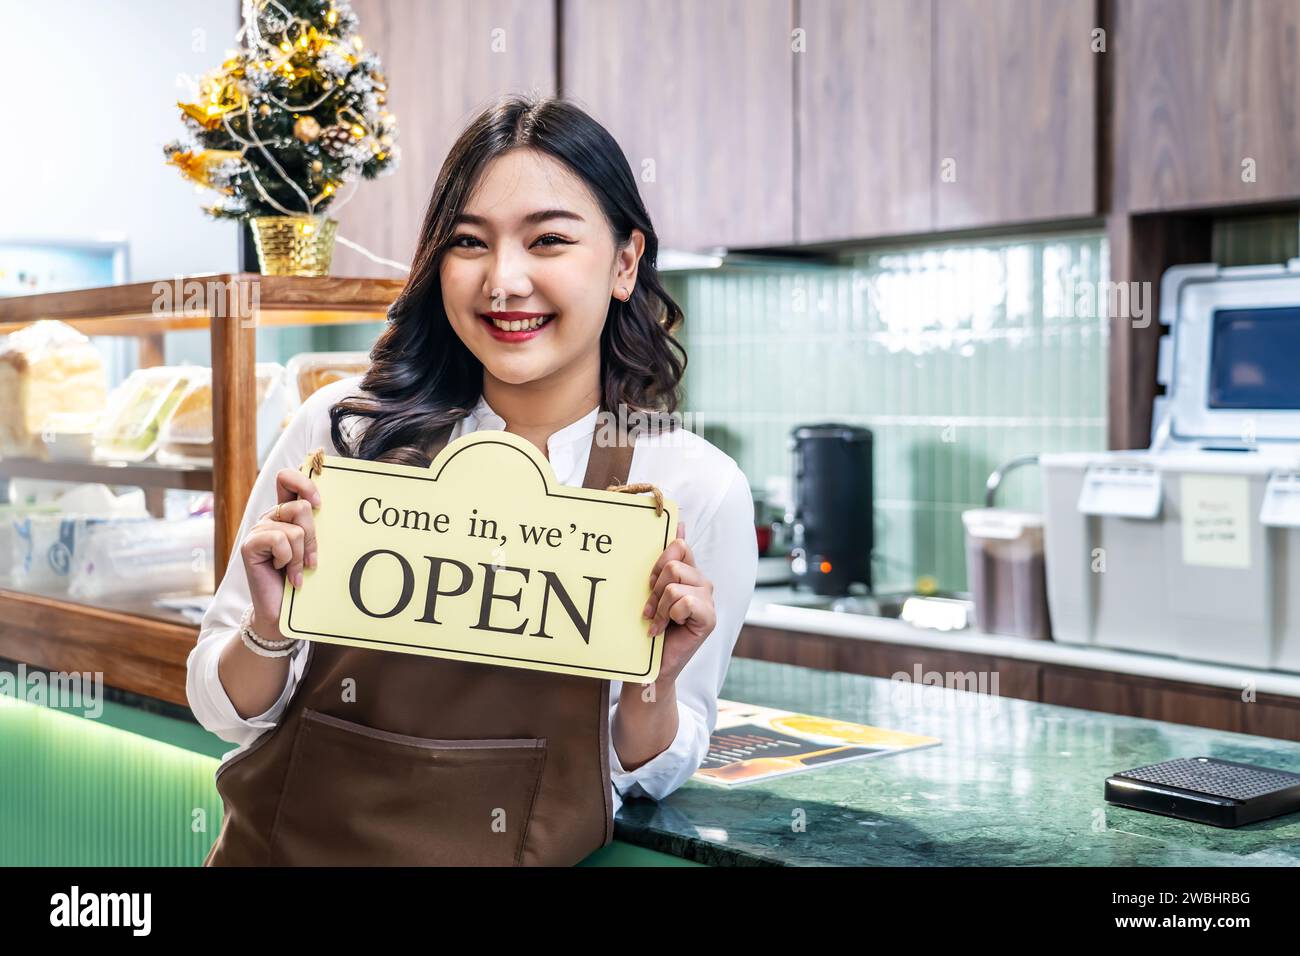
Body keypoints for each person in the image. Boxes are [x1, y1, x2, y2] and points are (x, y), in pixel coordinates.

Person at [187, 94, 758, 865]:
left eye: (549, 239)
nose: (504, 282)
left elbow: (645, 770)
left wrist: (657, 677)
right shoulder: (343, 431)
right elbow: (224, 711)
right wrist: (269, 627)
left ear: (625, 262)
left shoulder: (691, 488)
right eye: (469, 242)